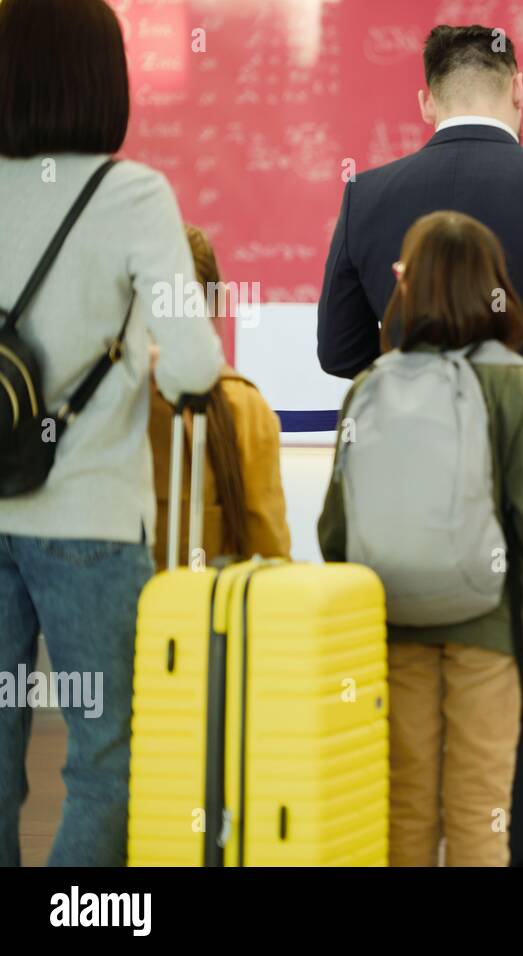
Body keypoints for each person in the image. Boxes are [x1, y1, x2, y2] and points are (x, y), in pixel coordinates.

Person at [316, 24, 523, 866]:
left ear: (425, 98)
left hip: (409, 499)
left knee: (412, 690)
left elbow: (336, 350)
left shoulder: (371, 194)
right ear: (520, 88)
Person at [0, 0, 223, 866]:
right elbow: (196, 367)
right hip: (87, 522)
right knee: (105, 758)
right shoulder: (131, 195)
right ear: (104, 79)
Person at [318, 210, 523, 867]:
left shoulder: (370, 386)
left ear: (408, 284)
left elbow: (334, 529)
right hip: (485, 629)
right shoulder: (517, 383)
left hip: (393, 627)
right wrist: (522, 609)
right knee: (479, 815)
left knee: (401, 811)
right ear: (496, 285)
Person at [148, 226, 291, 568]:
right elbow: (270, 559)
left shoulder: (103, 400)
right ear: (216, 303)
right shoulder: (243, 406)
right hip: (212, 615)